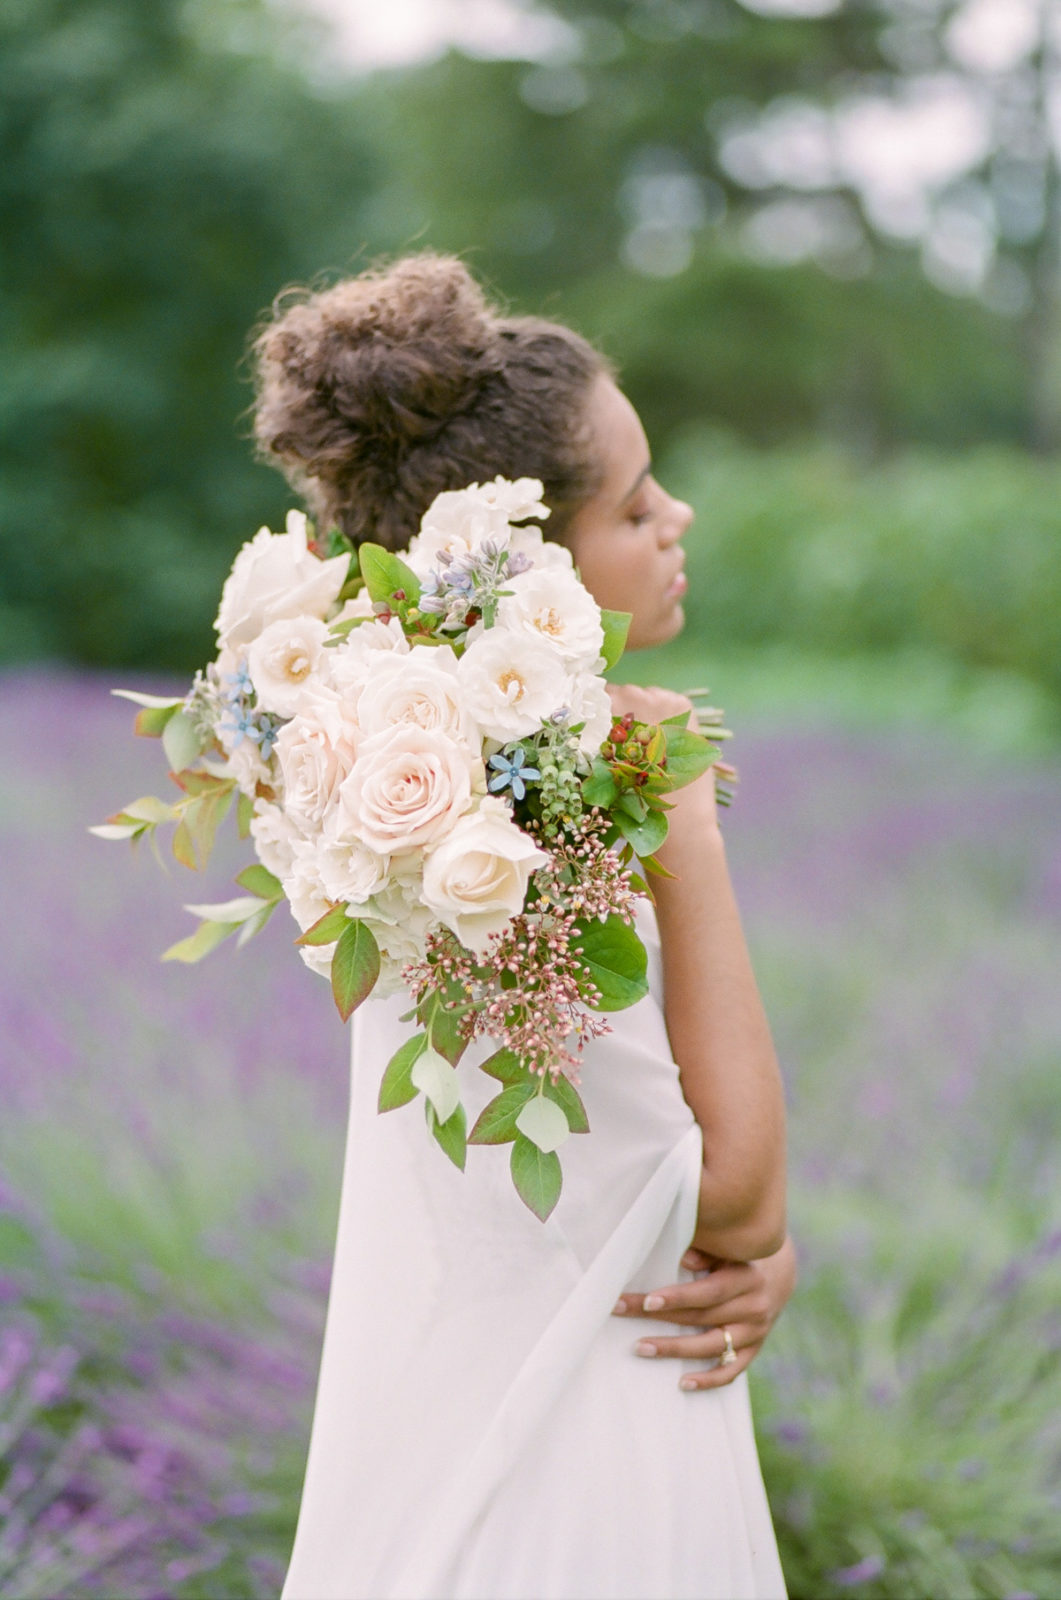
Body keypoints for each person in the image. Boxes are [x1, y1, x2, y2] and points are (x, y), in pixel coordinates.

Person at [253, 254, 795, 1600]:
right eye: (635, 502)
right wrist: (687, 830)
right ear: (533, 570)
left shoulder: (398, 785)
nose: (675, 516)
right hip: (579, 1441)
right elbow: (731, 1197)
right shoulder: (534, 826)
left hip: (453, 1397)